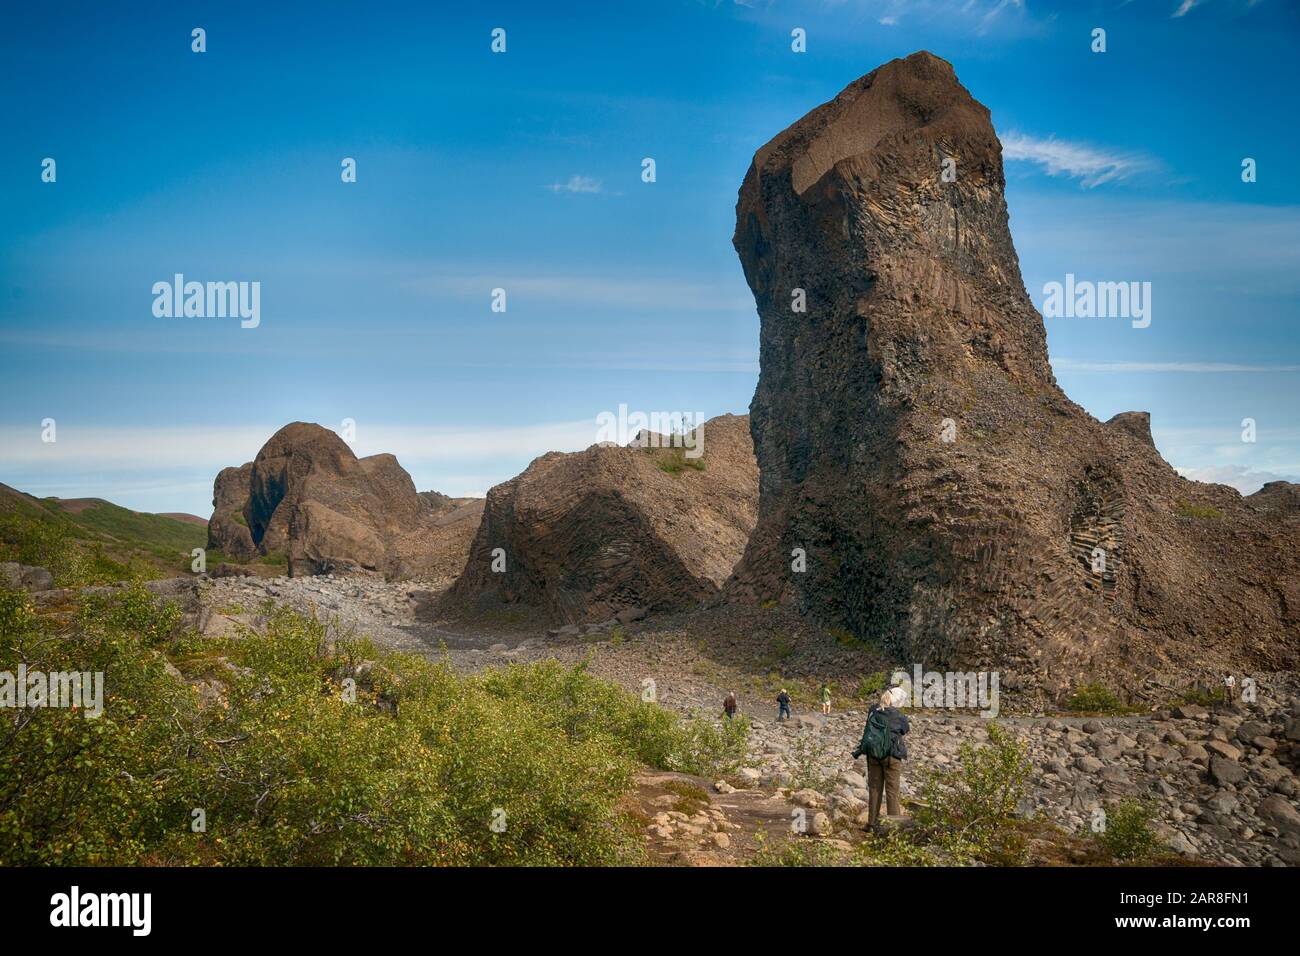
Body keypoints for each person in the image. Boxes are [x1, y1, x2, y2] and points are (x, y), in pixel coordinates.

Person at [852, 687, 910, 831]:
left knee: (874, 789)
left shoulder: (872, 710)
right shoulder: (899, 716)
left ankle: (871, 824)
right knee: (892, 791)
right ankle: (894, 827)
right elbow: (905, 730)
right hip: (892, 756)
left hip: (873, 754)